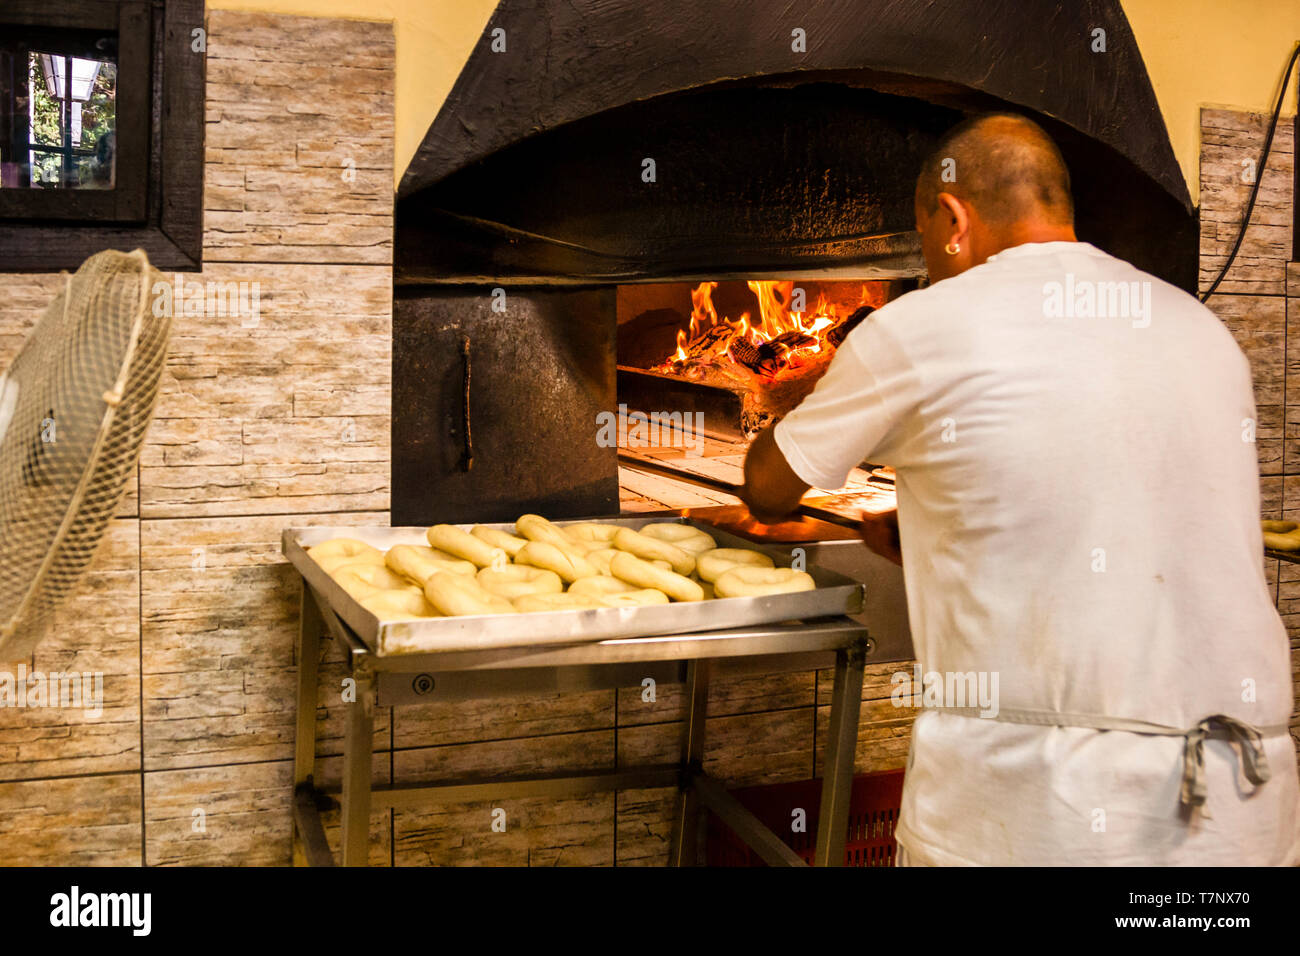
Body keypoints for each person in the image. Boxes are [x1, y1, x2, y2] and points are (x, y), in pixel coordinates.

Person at [740, 112, 1300, 865]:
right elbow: (1133, 509)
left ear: (952, 217)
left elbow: (771, 489)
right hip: (1239, 808)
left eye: (924, 240)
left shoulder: (923, 325)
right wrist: (956, 529)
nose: (928, 264)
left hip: (1044, 809)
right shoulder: (1198, 328)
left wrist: (771, 413)